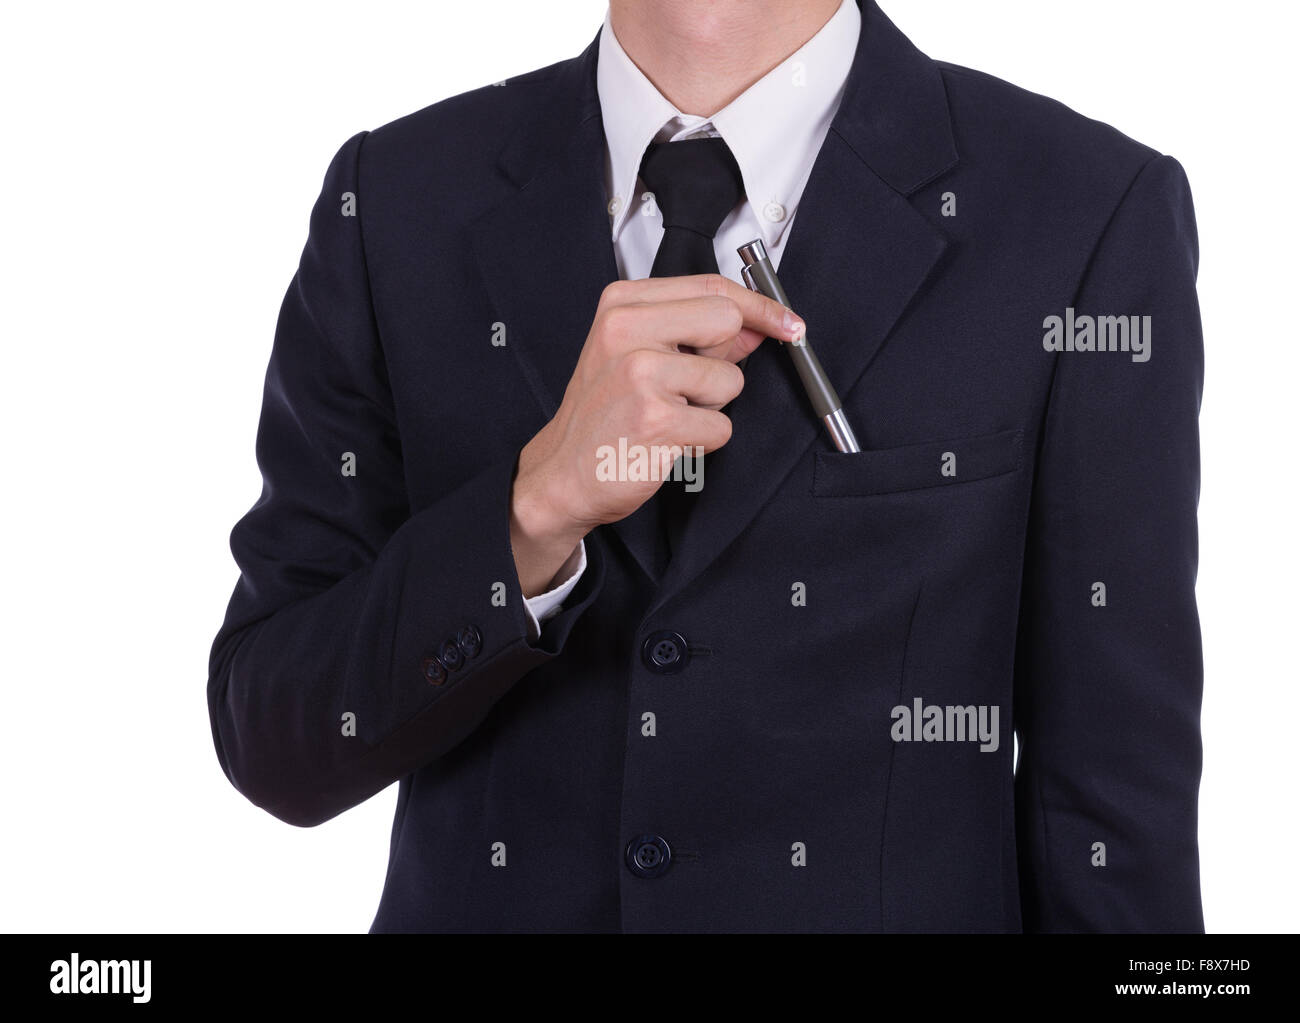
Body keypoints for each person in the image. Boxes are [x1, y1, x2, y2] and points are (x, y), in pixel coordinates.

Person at [208, 0, 1205, 932]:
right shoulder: (395, 198)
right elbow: (277, 741)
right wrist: (530, 517)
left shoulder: (1081, 211)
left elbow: (1116, 803)